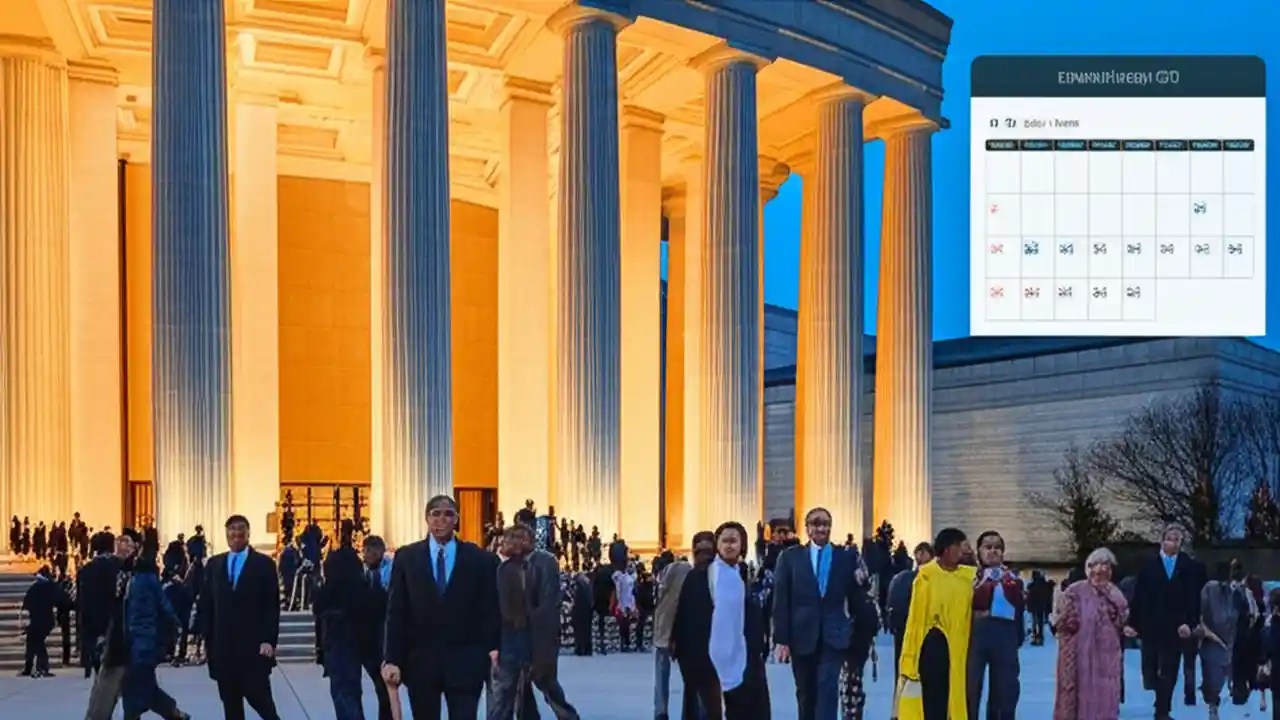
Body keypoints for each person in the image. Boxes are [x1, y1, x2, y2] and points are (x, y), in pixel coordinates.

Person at [382, 494, 500, 719]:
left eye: (448, 514)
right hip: (421, 663)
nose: (441, 520)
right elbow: (396, 611)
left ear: (456, 519)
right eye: (435, 514)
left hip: (466, 662)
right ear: (427, 518)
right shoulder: (407, 558)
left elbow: (488, 609)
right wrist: (392, 658)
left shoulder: (479, 559)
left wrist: (493, 648)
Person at [772, 507, 867, 720]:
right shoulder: (790, 558)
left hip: (834, 635)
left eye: (825, 523)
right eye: (815, 523)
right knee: (806, 693)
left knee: (827, 690)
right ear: (807, 528)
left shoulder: (845, 556)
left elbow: (857, 598)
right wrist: (781, 639)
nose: (820, 528)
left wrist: (862, 580)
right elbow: (781, 600)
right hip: (801, 635)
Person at [672, 522, 770, 719]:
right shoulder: (701, 577)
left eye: (734, 541)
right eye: (724, 541)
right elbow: (687, 619)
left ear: (742, 545)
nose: (729, 546)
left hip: (744, 661)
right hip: (707, 661)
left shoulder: (745, 575)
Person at [488, 524, 579, 719]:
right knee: (505, 690)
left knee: (546, 683)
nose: (504, 545)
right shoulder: (504, 569)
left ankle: (568, 716)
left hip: (537, 634)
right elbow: (500, 606)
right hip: (511, 636)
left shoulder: (545, 562)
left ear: (524, 541)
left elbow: (548, 604)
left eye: (508, 540)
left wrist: (542, 640)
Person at [199, 514, 282, 720]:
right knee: (231, 708)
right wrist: (205, 638)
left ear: (248, 533)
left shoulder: (264, 564)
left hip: (253, 649)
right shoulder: (214, 564)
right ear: (226, 533)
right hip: (223, 648)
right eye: (232, 529)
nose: (236, 533)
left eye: (240, 529)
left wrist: (268, 640)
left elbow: (271, 605)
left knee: (264, 705)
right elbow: (207, 604)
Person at [895, 528, 974, 720]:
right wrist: (910, 657)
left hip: (962, 650)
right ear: (947, 548)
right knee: (933, 701)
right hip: (933, 647)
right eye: (959, 546)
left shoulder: (968, 578)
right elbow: (916, 619)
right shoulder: (926, 577)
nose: (962, 552)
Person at [1126, 522, 1202, 720]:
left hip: (1176, 626)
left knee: (1168, 670)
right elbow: (1139, 596)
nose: (1173, 543)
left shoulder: (1188, 567)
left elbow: (1193, 598)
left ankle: (1162, 710)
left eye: (1178, 540)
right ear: (1162, 541)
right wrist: (1132, 623)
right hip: (1151, 625)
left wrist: (1190, 623)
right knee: (1150, 671)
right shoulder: (1148, 566)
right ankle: (1157, 692)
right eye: (1170, 538)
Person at [1052, 547, 1129, 720]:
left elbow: (1122, 619)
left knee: (1105, 695)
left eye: (1106, 566)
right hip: (1081, 653)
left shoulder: (1115, 593)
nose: (1100, 570)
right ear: (1089, 568)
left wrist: (1113, 605)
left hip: (1107, 655)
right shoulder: (1075, 591)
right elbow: (1063, 622)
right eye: (1096, 565)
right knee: (1081, 695)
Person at [122, 552, 191, 720]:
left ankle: (168, 712)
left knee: (136, 685)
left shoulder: (136, 583)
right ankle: (172, 712)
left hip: (136, 641)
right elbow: (165, 609)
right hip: (147, 641)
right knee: (144, 683)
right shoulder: (150, 583)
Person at [967, 530, 1024, 720]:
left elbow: (1019, 611)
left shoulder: (1013, 579)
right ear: (979, 551)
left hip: (1005, 636)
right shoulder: (968, 577)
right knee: (970, 689)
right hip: (975, 635)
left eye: (998, 548)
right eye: (988, 547)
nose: (993, 551)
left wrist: (1017, 637)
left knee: (1005, 691)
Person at [1199, 560, 1250, 719]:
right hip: (1214, 639)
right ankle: (1213, 704)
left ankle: (1214, 702)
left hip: (1227, 638)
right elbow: (1201, 614)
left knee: (1218, 674)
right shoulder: (1211, 589)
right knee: (1213, 676)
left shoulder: (1234, 591)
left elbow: (1243, 614)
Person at [653, 547, 695, 720]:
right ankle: (692, 710)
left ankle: (661, 711)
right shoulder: (689, 570)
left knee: (661, 673)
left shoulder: (666, 574)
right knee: (691, 674)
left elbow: (660, 597)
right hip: (686, 626)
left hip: (665, 627)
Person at [358, 535, 395, 720]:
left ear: (381, 551)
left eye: (371, 551)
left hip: (385, 638)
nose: (367, 555)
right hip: (366, 639)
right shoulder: (360, 573)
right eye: (365, 551)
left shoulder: (391, 571)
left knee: (384, 689)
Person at [887, 542, 933, 685]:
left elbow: (892, 602)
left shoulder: (900, 578)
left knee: (903, 670)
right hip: (919, 629)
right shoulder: (931, 580)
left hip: (904, 629)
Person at [76, 530, 120, 677]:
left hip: (90, 616)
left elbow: (80, 597)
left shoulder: (85, 570)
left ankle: (91, 662)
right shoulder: (115, 567)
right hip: (110, 615)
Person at [20, 566, 67, 678]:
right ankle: (38, 667)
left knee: (35, 642)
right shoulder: (52, 587)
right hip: (46, 620)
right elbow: (63, 600)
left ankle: (33, 667)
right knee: (36, 642)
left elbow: (26, 604)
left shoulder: (35, 588)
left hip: (36, 619)